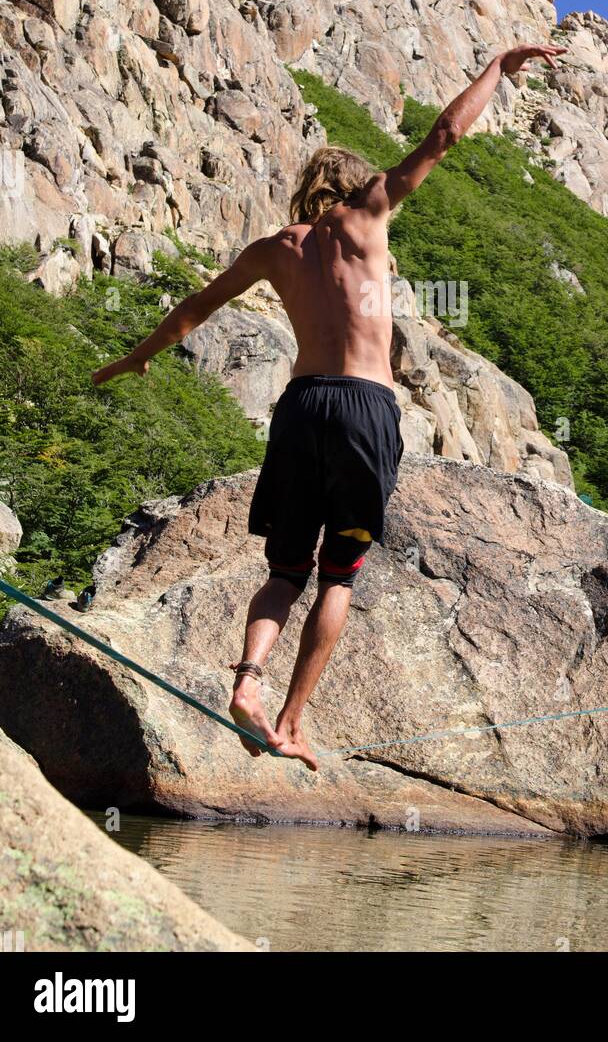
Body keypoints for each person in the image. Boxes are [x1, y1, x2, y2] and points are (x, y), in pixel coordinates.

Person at [92, 43, 563, 768]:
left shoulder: (273, 248)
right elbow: (444, 135)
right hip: (364, 410)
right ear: (355, 186)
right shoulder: (369, 215)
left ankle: (247, 680)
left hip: (300, 406)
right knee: (339, 576)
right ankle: (290, 720)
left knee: (284, 571)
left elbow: (196, 306)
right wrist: (497, 67)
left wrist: (137, 357)